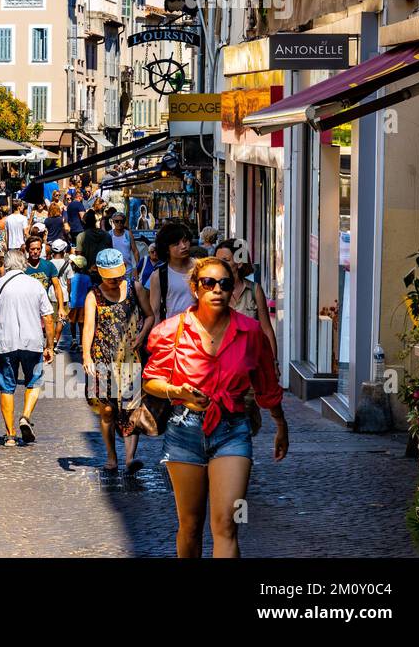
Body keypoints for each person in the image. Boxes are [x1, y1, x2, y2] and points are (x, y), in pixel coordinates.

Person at [142, 256, 288, 557]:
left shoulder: (250, 332)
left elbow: (266, 384)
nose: (217, 289)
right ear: (196, 288)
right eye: (209, 283)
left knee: (226, 525)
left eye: (225, 283)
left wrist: (280, 423)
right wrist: (175, 390)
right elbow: (150, 380)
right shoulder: (173, 331)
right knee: (191, 526)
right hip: (184, 429)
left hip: (233, 430)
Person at [0, 249, 55, 447]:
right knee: (34, 382)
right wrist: (50, 345)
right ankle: (26, 416)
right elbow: (48, 317)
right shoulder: (35, 284)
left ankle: (10, 435)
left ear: (6, 264)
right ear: (24, 264)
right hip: (33, 342)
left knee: (6, 387)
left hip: (6, 343)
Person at [83, 249, 147, 474]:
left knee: (131, 408)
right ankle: (112, 457)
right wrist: (86, 356)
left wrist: (142, 334)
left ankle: (130, 458)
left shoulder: (134, 288)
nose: (114, 280)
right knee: (108, 410)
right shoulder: (93, 295)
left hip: (130, 358)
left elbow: (150, 315)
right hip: (102, 358)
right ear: (99, 273)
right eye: (109, 276)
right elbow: (89, 327)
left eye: (117, 275)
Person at [215, 240, 277, 357]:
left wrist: (273, 361)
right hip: (222, 360)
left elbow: (267, 329)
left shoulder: (254, 290)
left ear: (239, 263)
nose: (220, 265)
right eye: (217, 261)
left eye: (226, 261)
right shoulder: (213, 291)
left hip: (251, 360)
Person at [147, 222, 196, 331]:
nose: (183, 246)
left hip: (198, 331)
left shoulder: (200, 268)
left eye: (185, 240)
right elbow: (155, 312)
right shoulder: (159, 275)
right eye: (176, 244)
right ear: (166, 248)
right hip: (172, 333)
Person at [23, 235, 64, 323]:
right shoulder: (22, 267)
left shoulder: (49, 265)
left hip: (44, 308)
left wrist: (61, 307)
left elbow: (57, 287)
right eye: (32, 249)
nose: (35, 252)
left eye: (38, 249)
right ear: (27, 250)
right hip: (26, 308)